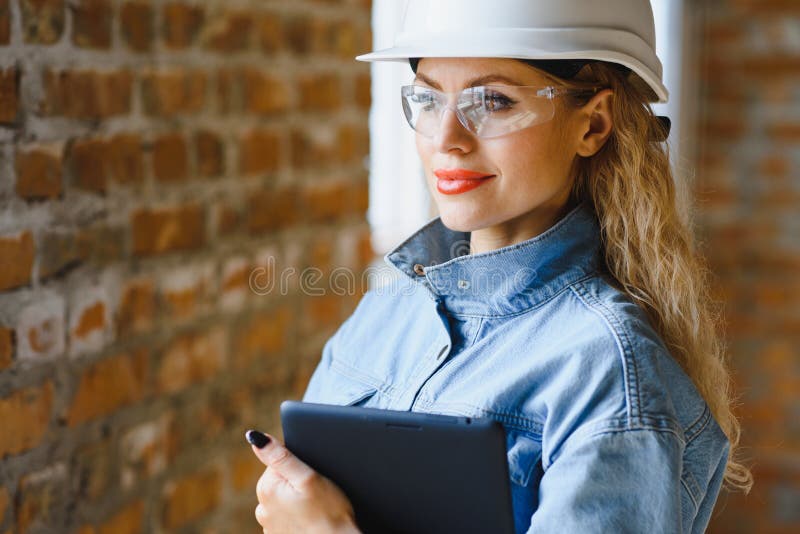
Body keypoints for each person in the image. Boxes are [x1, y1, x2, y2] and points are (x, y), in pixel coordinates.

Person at [246, 1, 753, 532]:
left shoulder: (606, 370)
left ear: (593, 123)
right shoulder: (385, 314)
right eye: (427, 97)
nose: (447, 139)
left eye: (492, 101)